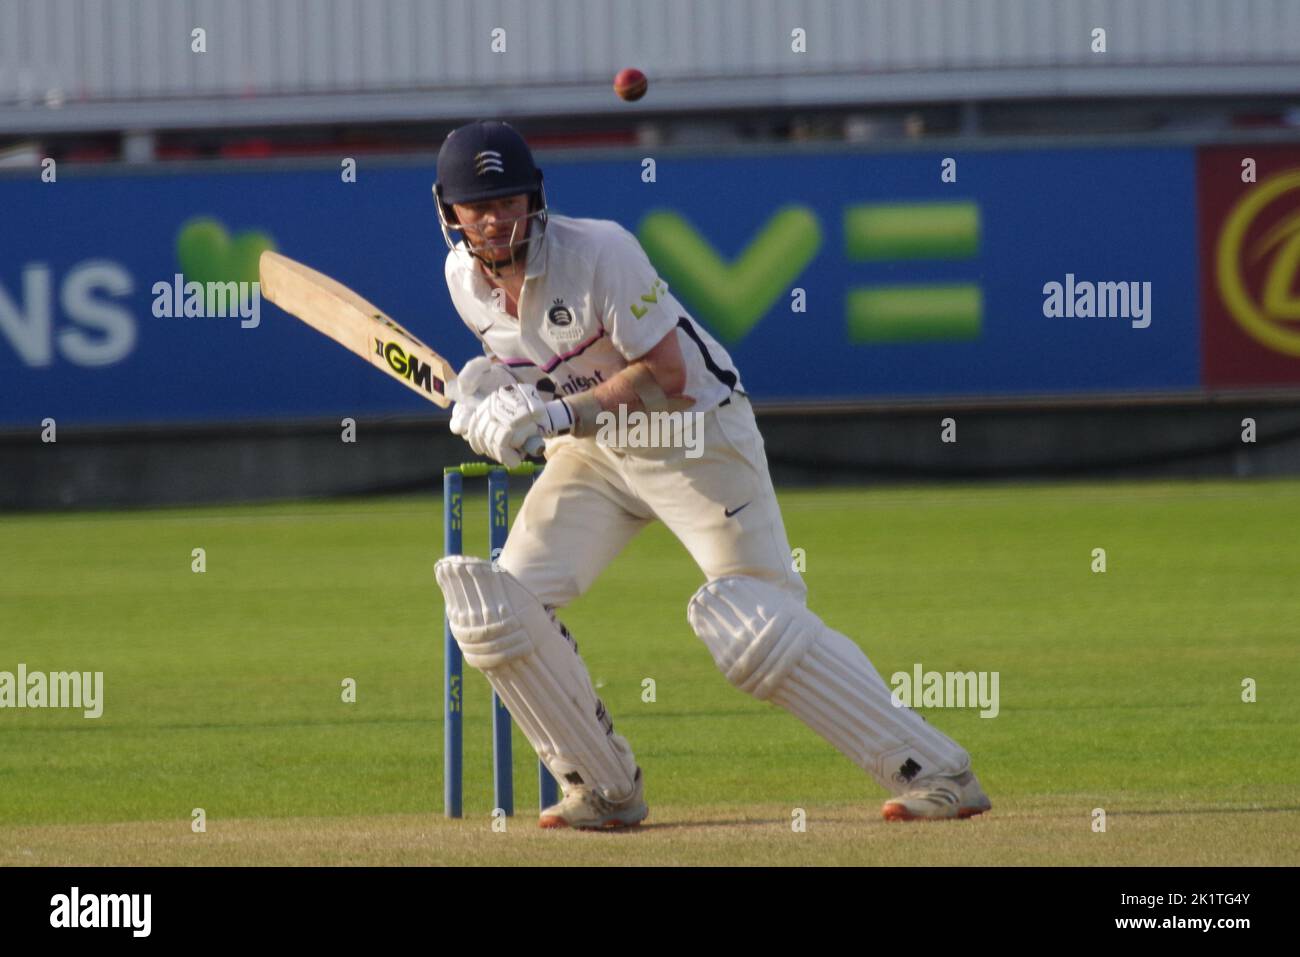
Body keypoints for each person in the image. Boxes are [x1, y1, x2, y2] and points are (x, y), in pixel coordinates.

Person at [431, 119, 991, 828]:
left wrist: (549, 417)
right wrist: (488, 396)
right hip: (597, 452)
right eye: (480, 206)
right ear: (449, 211)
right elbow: (537, 372)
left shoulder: (602, 252)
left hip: (692, 432)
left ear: (535, 197)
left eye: (510, 200)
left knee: (751, 624)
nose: (497, 219)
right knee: (497, 612)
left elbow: (667, 373)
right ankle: (604, 789)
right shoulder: (462, 282)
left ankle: (939, 773)